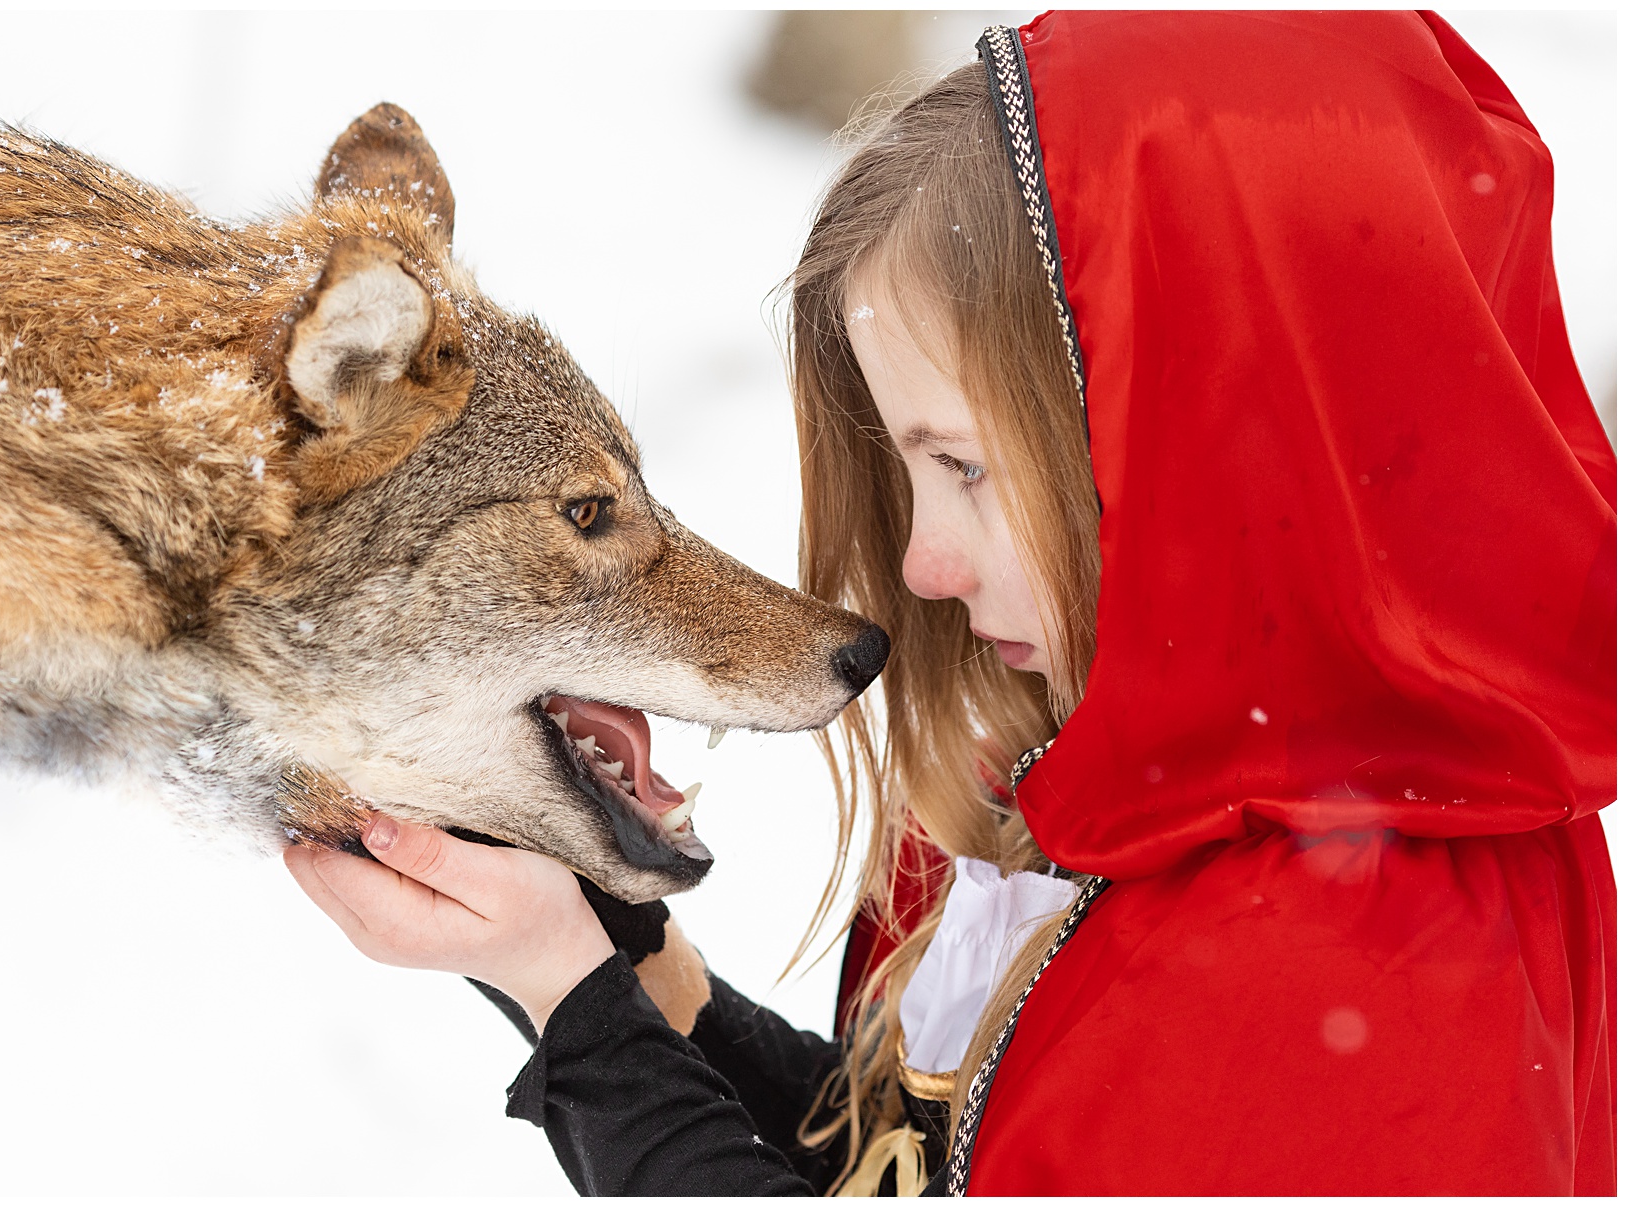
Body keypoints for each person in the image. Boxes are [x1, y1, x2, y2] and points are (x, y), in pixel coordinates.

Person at [283, 11, 1615, 1195]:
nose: (920, 566)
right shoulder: (1133, 790)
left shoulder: (1338, 987)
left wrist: (582, 1017)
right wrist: (620, 968)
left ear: (1221, 444)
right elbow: (920, 1164)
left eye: (964, 468)